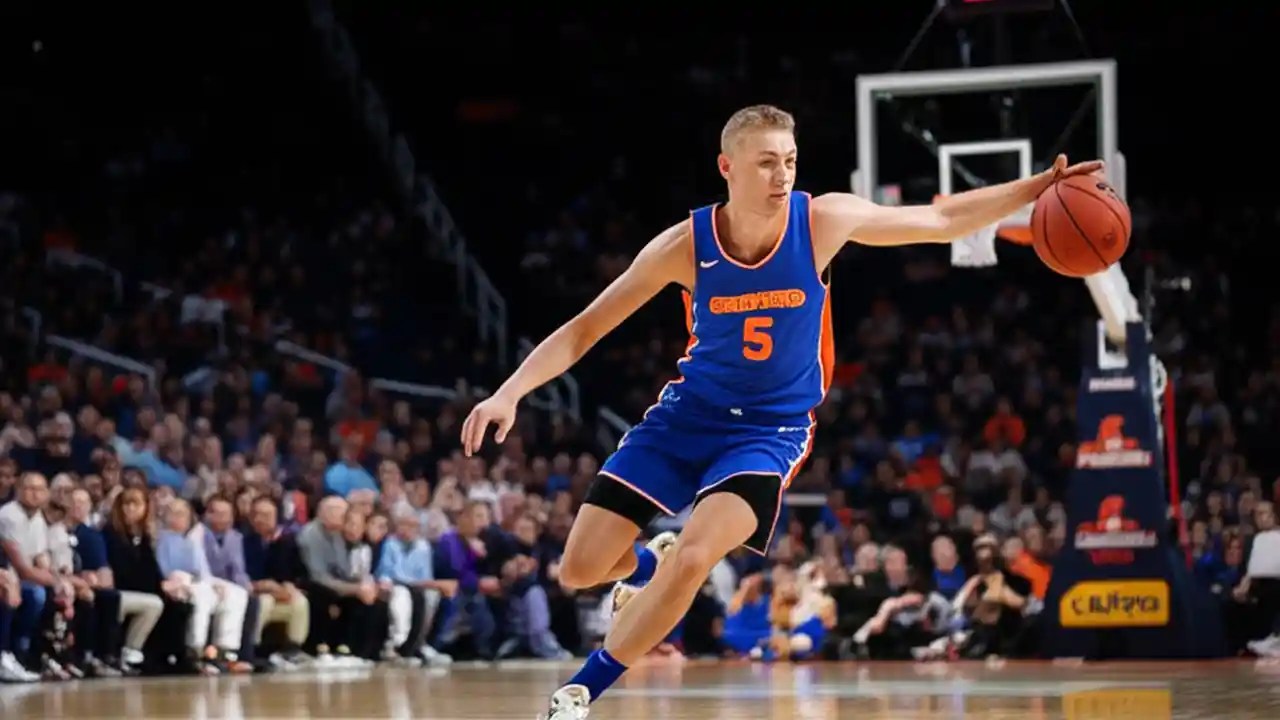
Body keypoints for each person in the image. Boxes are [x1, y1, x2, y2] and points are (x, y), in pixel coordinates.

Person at [459, 104, 1102, 719]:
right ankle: (648, 564)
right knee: (580, 570)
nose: (783, 174)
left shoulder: (821, 221)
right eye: (766, 162)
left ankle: (579, 692)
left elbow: (939, 222)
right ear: (727, 168)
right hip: (686, 416)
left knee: (697, 558)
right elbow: (583, 329)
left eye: (790, 160)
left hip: (770, 431)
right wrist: (510, 390)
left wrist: (1037, 186)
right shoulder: (685, 245)